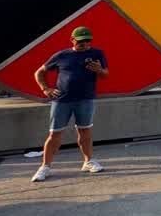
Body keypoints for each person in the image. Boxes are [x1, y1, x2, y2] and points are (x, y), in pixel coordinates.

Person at [31, 27, 109, 182]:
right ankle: (45, 167)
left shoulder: (97, 54)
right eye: (81, 41)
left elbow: (106, 74)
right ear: (72, 40)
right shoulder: (62, 55)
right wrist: (46, 89)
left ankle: (88, 161)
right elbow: (39, 72)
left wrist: (99, 70)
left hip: (86, 99)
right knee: (55, 134)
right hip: (62, 100)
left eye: (88, 41)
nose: (85, 44)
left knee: (85, 130)